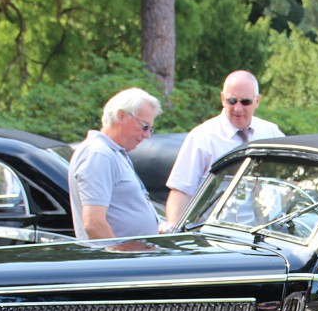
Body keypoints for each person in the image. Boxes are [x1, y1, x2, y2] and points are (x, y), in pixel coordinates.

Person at [165, 70, 284, 228]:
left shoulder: (271, 133)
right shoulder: (202, 137)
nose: (238, 108)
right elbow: (181, 190)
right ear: (222, 99)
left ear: (257, 101)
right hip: (216, 236)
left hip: (267, 235)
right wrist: (173, 229)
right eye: (232, 101)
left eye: (245, 102)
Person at [69, 88, 162, 240]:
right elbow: (93, 223)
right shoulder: (99, 154)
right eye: (144, 126)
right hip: (119, 260)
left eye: (150, 129)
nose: (147, 135)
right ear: (121, 116)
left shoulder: (114, 152)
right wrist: (119, 258)